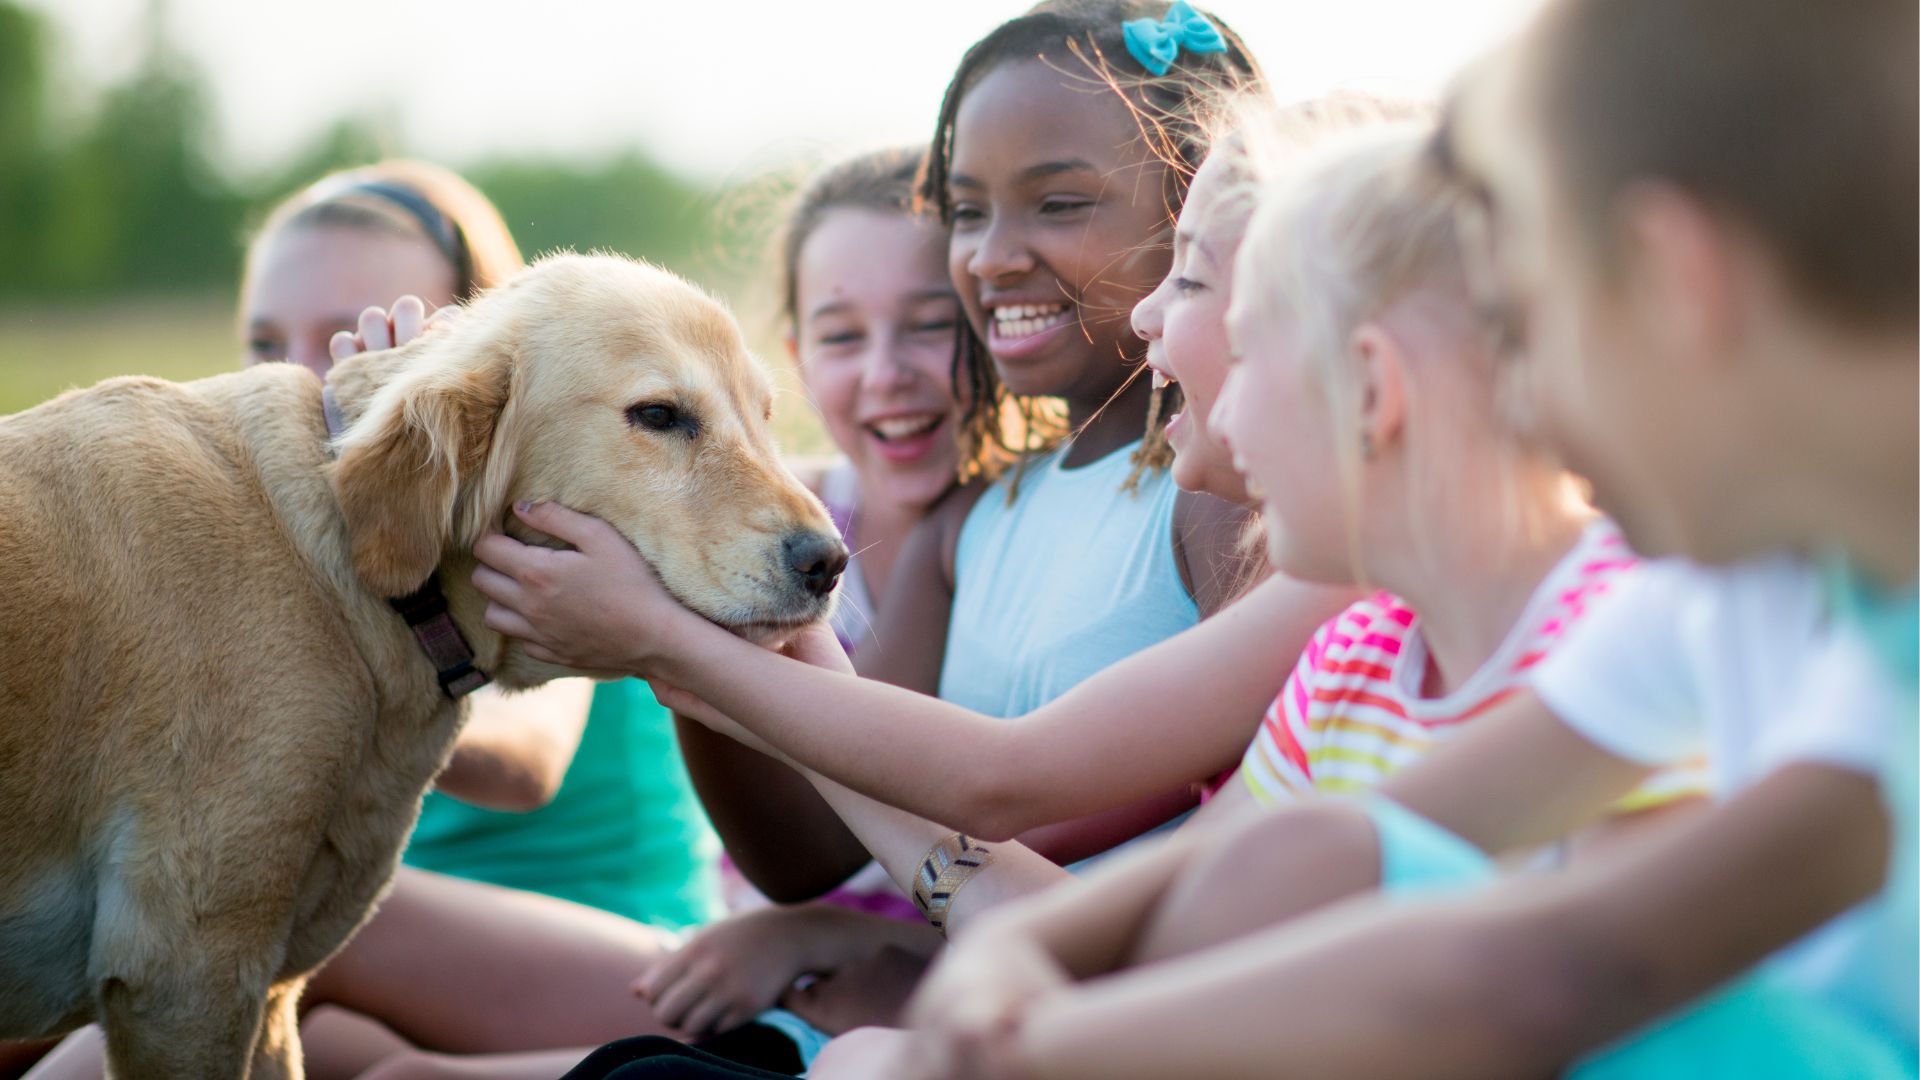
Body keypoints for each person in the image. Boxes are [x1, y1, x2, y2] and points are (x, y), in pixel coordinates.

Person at [891, 0, 1917, 1075]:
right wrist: (1014, 954)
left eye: (1530, 317)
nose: (1521, 388)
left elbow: (1547, 976)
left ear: (1674, 282)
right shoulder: (1749, 588)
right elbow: (1353, 835)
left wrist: (1022, 1052)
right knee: (1312, 856)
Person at [21, 161, 724, 1080]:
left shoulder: (564, 518)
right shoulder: (248, 542)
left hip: (593, 937)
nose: (315, 369)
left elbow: (528, 757)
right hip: (368, 964)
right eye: (268, 338)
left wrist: (268, 695)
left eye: (358, 334)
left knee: (226, 934)